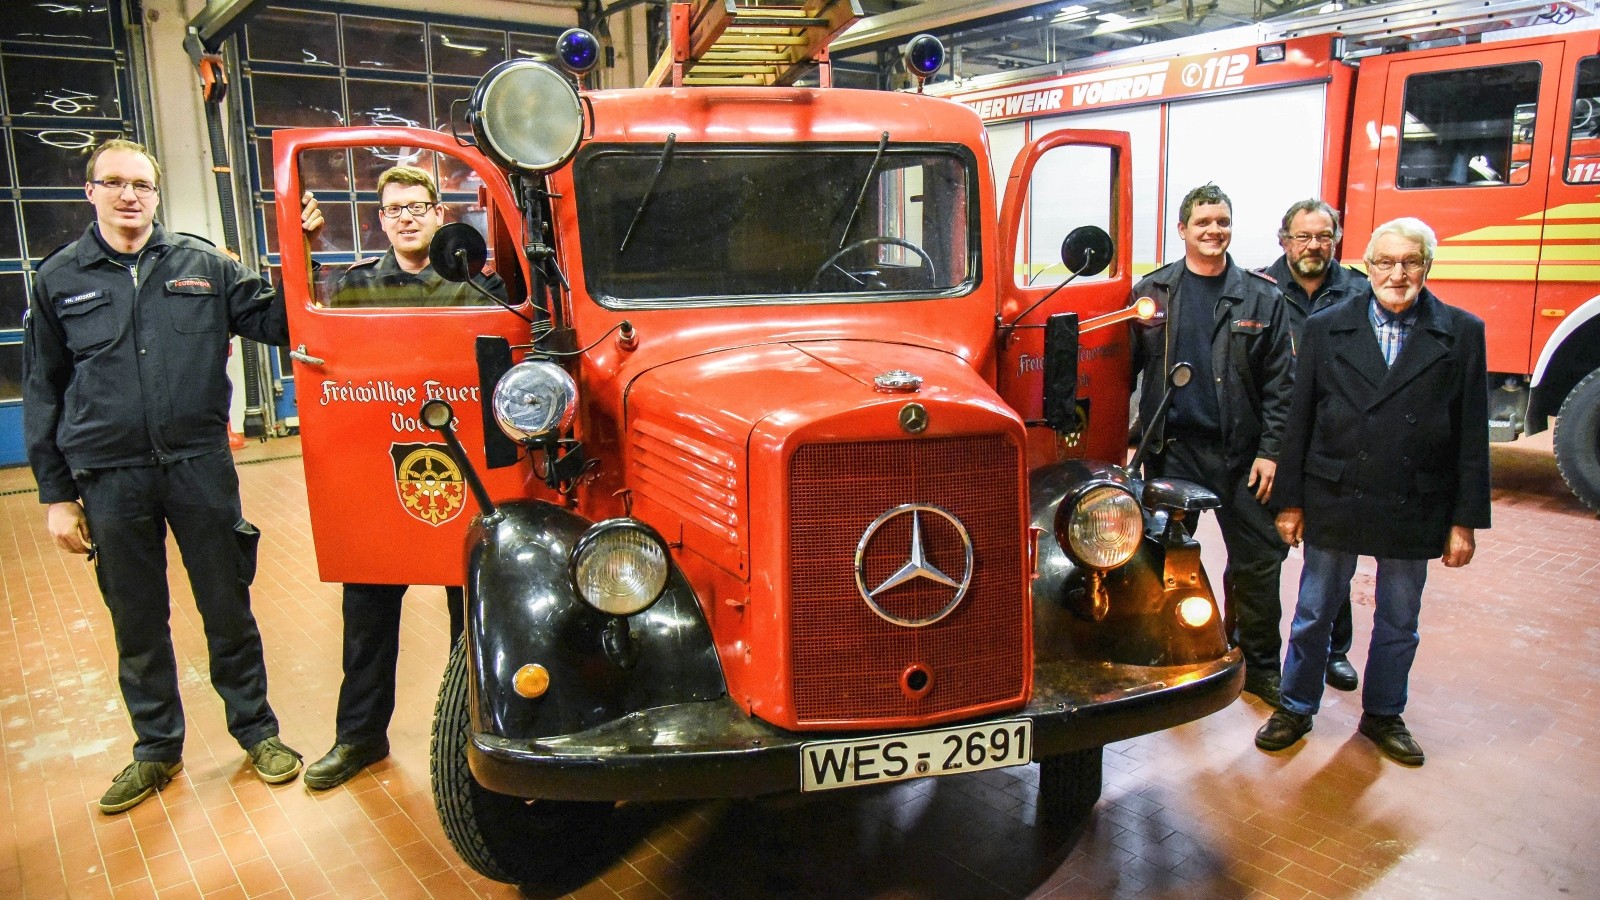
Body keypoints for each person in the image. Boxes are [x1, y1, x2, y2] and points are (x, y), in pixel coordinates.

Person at [22, 138, 302, 814]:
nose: (129, 196)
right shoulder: (60, 278)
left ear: (156, 194)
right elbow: (44, 389)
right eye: (114, 183)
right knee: (137, 619)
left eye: (141, 185)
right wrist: (57, 496)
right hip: (110, 477)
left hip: (197, 466)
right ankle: (155, 749)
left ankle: (256, 732)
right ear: (89, 191)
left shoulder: (203, 264)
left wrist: (295, 247)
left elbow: (282, 321)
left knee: (226, 606)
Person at [298, 164, 506, 790]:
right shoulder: (356, 286)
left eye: (418, 205)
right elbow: (310, 329)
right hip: (379, 469)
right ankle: (358, 737)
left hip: (461, 465)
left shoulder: (477, 284)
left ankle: (470, 732)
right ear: (380, 219)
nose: (406, 217)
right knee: (366, 611)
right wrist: (306, 254)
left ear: (441, 211)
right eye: (393, 209)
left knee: (468, 611)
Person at [1255, 217, 1491, 766]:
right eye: (1385, 262)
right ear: (1368, 266)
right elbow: (1300, 420)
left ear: (1427, 267)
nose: (1398, 274)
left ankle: (1384, 713)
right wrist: (1290, 501)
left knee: (1399, 619)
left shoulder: (1462, 332)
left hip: (1416, 498)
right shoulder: (1326, 326)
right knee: (1314, 611)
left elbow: (1472, 436)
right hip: (1337, 490)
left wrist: (1464, 522)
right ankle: (1295, 705)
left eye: (1410, 262)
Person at [1130, 183, 1295, 706]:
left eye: (1222, 221)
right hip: (1174, 452)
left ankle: (1260, 664)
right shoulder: (1151, 294)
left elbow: (1280, 386)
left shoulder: (1261, 296)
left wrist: (1271, 450)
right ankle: (1168, 655)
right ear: (1182, 230)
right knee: (1160, 562)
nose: (1214, 231)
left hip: (1242, 457)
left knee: (1258, 562)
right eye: (1203, 222)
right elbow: (1118, 375)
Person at [1260, 199, 1370, 693]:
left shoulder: (1359, 291)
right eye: (1303, 237)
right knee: (1260, 553)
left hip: (1332, 444)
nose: (1313, 246)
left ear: (1337, 240)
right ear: (1283, 240)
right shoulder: (1257, 290)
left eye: (1323, 236)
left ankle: (1334, 652)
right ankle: (1249, 644)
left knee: (1331, 553)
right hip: (1273, 441)